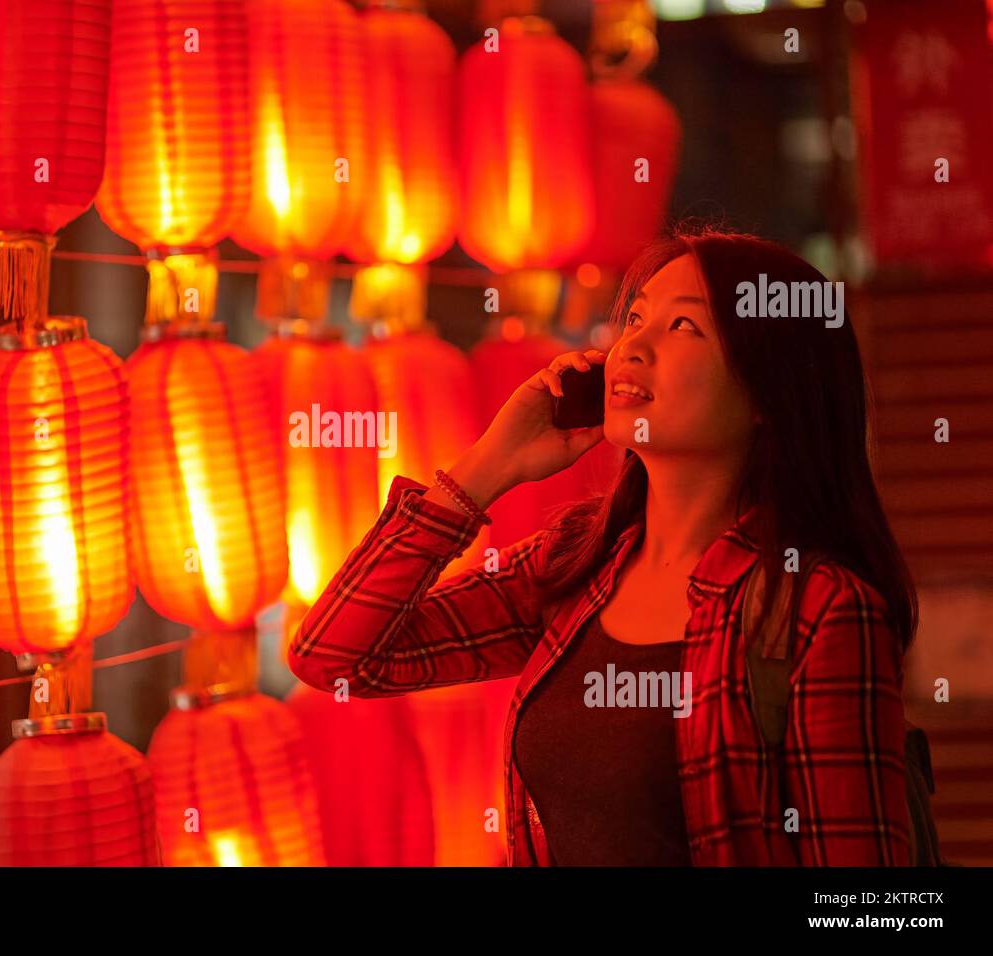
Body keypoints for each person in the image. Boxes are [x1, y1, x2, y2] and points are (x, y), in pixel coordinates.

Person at [288, 227, 917, 866]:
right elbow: (336, 658)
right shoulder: (578, 565)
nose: (631, 348)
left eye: (683, 328)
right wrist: (488, 465)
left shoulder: (815, 609)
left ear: (767, 392)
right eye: (635, 317)